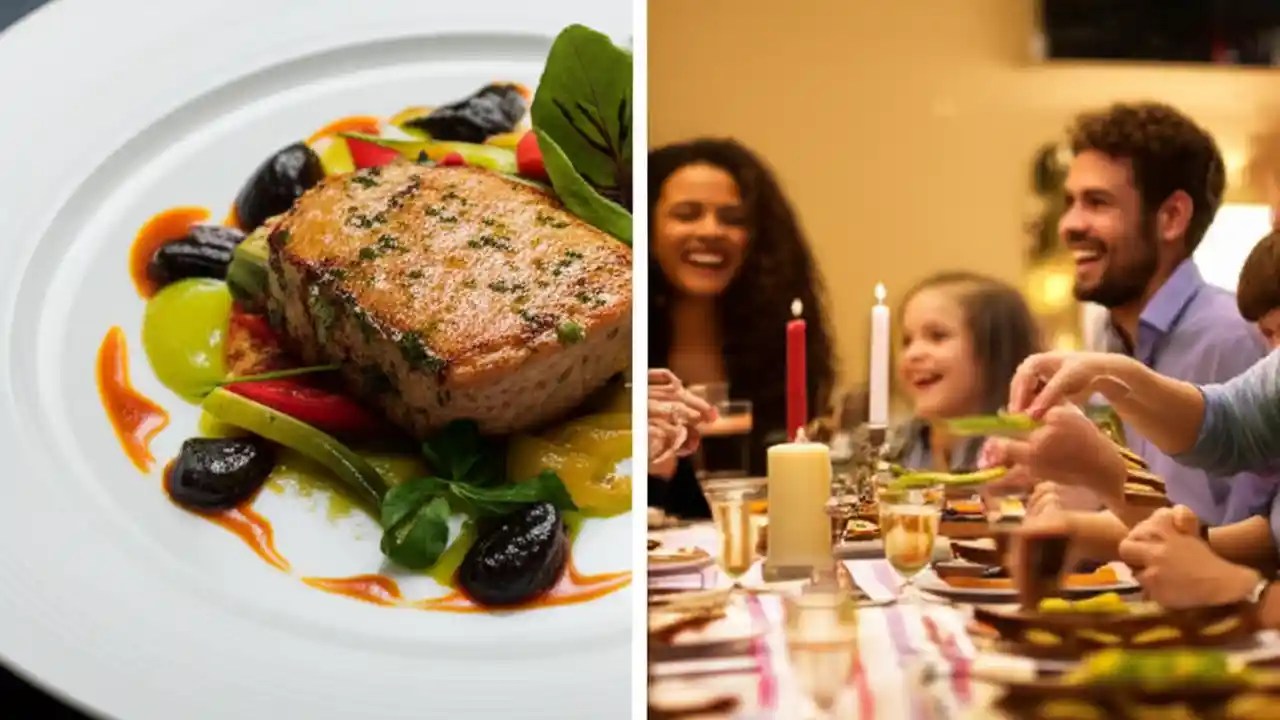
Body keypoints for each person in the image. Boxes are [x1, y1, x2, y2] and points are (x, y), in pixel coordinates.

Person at [1007, 101, 1274, 526]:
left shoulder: (1235, 338)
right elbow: (1127, 513)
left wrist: (1098, 480)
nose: (1068, 225)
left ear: (1171, 218)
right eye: (1070, 202)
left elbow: (1243, 545)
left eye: (1097, 202)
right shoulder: (1108, 340)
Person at [647, 138, 836, 518]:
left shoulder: (777, 349)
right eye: (687, 214)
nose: (711, 230)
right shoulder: (619, 350)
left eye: (733, 219)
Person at [889, 272, 1042, 471]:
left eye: (937, 336)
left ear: (994, 349)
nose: (913, 354)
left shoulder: (1027, 453)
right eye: (907, 341)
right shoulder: (894, 446)